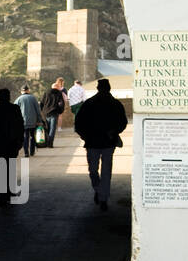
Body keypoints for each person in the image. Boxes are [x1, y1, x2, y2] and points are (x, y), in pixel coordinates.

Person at [74, 78, 128, 212]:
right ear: (109, 89)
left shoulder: (88, 104)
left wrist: (84, 136)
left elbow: (78, 122)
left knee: (93, 170)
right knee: (106, 171)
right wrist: (114, 132)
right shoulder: (116, 104)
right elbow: (123, 122)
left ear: (98, 89)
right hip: (108, 142)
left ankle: (100, 192)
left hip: (92, 142)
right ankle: (103, 195)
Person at [15, 84, 44, 157]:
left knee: (25, 136)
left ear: (21, 91)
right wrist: (39, 120)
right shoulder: (33, 98)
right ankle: (32, 152)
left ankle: (26, 152)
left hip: (23, 122)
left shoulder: (18, 99)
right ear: (28, 90)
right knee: (32, 136)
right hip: (33, 121)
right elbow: (38, 110)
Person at [39, 78, 66, 148]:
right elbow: (62, 104)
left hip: (46, 113)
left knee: (47, 128)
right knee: (52, 129)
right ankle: (50, 144)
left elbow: (41, 103)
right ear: (57, 87)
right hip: (54, 113)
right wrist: (60, 111)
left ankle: (46, 142)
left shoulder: (46, 92)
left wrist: (42, 111)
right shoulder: (59, 93)